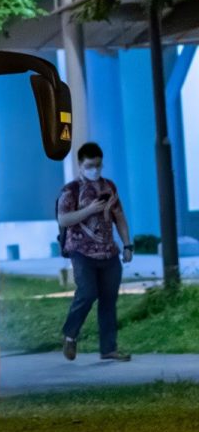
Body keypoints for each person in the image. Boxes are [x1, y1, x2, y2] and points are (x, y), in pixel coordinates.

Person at [57, 142, 134, 362]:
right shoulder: (71, 190)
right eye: (90, 165)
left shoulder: (109, 187)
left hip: (109, 253)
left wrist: (127, 244)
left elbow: (120, 217)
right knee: (87, 293)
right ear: (80, 165)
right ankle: (70, 335)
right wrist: (89, 210)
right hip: (81, 252)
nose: (95, 169)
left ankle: (109, 349)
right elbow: (63, 219)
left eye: (98, 165)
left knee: (109, 301)